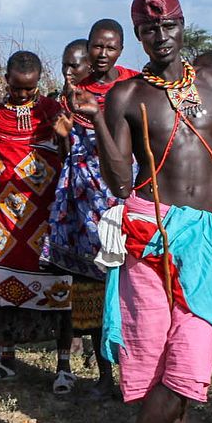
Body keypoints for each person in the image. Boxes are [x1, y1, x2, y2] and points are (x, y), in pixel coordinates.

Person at [76, 0, 212, 423]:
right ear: (139, 36)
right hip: (149, 233)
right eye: (150, 30)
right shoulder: (126, 96)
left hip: (202, 239)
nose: (161, 36)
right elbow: (121, 179)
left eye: (169, 26)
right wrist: (97, 120)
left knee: (190, 365)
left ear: (183, 26)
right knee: (158, 367)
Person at [0, 50, 74, 389]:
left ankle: (64, 365)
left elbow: (70, 156)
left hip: (46, 217)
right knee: (3, 290)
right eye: (17, 89)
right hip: (4, 221)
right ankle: (7, 360)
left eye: (30, 89)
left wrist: (65, 136)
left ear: (39, 82)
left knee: (60, 290)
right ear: (7, 82)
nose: (24, 95)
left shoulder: (53, 112)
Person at [42, 26, 137, 397]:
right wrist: (63, 135)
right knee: (92, 288)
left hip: (126, 193)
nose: (102, 53)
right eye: (97, 45)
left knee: (129, 286)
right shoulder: (75, 92)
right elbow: (67, 147)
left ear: (121, 49)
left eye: (110, 47)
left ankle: (134, 373)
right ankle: (103, 375)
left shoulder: (134, 85)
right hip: (84, 198)